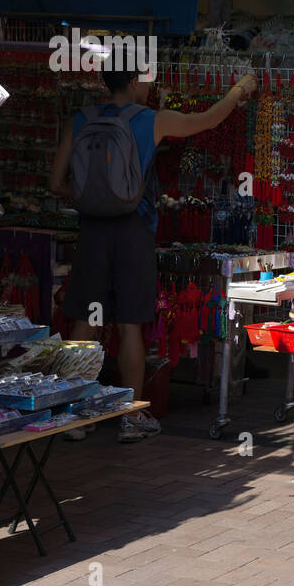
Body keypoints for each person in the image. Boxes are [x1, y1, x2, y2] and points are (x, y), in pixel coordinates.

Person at [49, 66, 257, 442]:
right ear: (132, 83)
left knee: (86, 320)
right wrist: (239, 89)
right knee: (130, 325)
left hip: (93, 231)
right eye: (145, 79)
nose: (150, 85)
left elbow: (55, 182)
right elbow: (208, 119)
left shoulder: (79, 121)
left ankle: (75, 416)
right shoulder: (151, 120)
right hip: (133, 232)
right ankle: (131, 419)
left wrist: (93, 197)